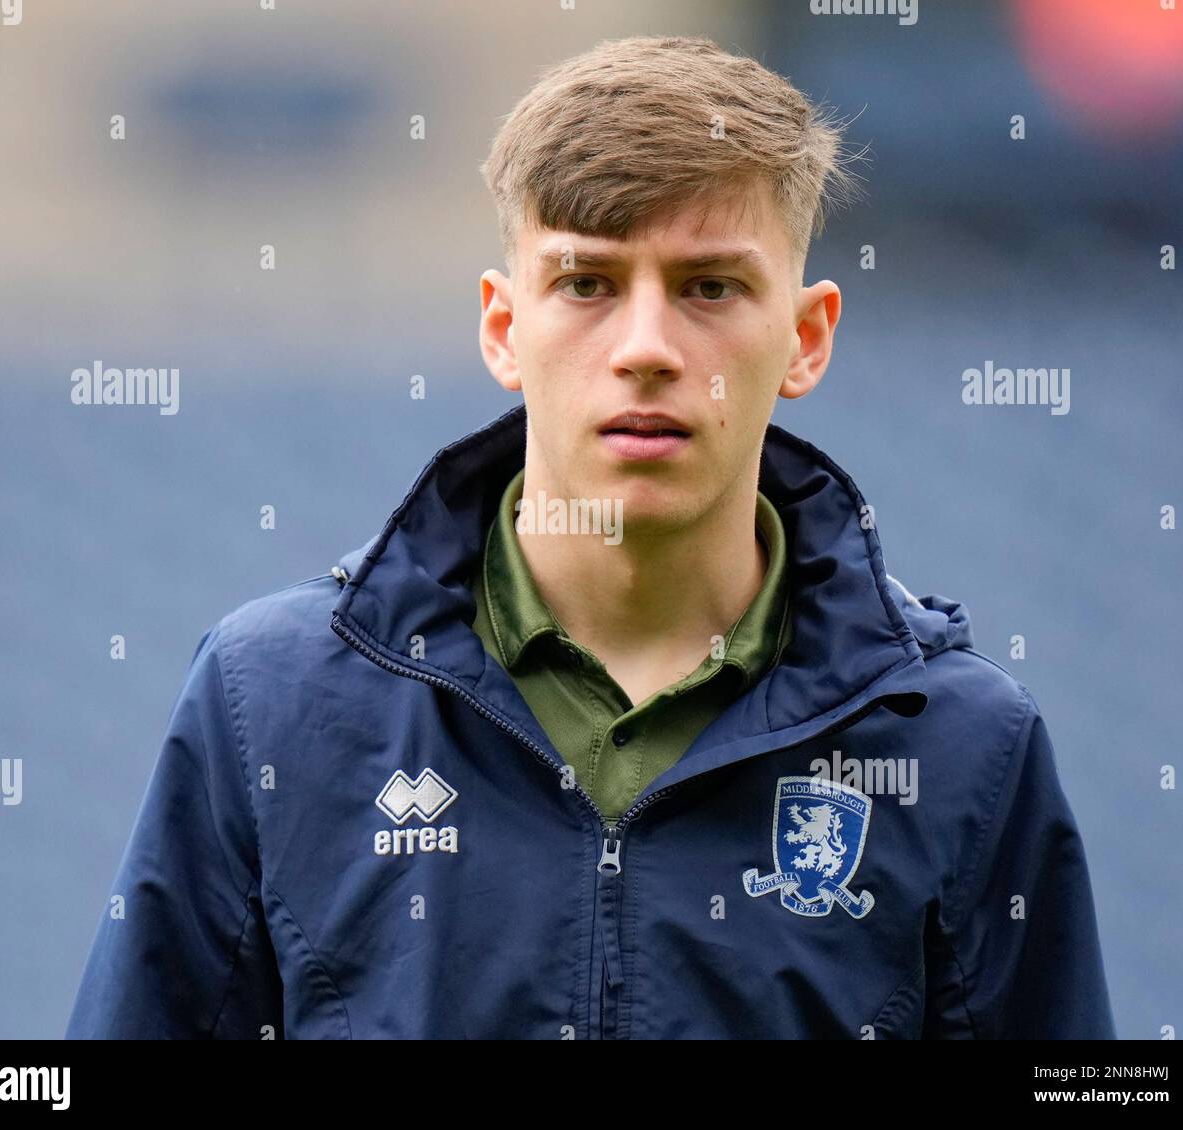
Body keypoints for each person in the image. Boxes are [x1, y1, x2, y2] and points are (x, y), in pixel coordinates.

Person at [65, 34, 1115, 1039]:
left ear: (804, 337)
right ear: (502, 327)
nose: (647, 347)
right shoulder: (273, 705)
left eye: (709, 285)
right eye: (587, 283)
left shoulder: (962, 744)